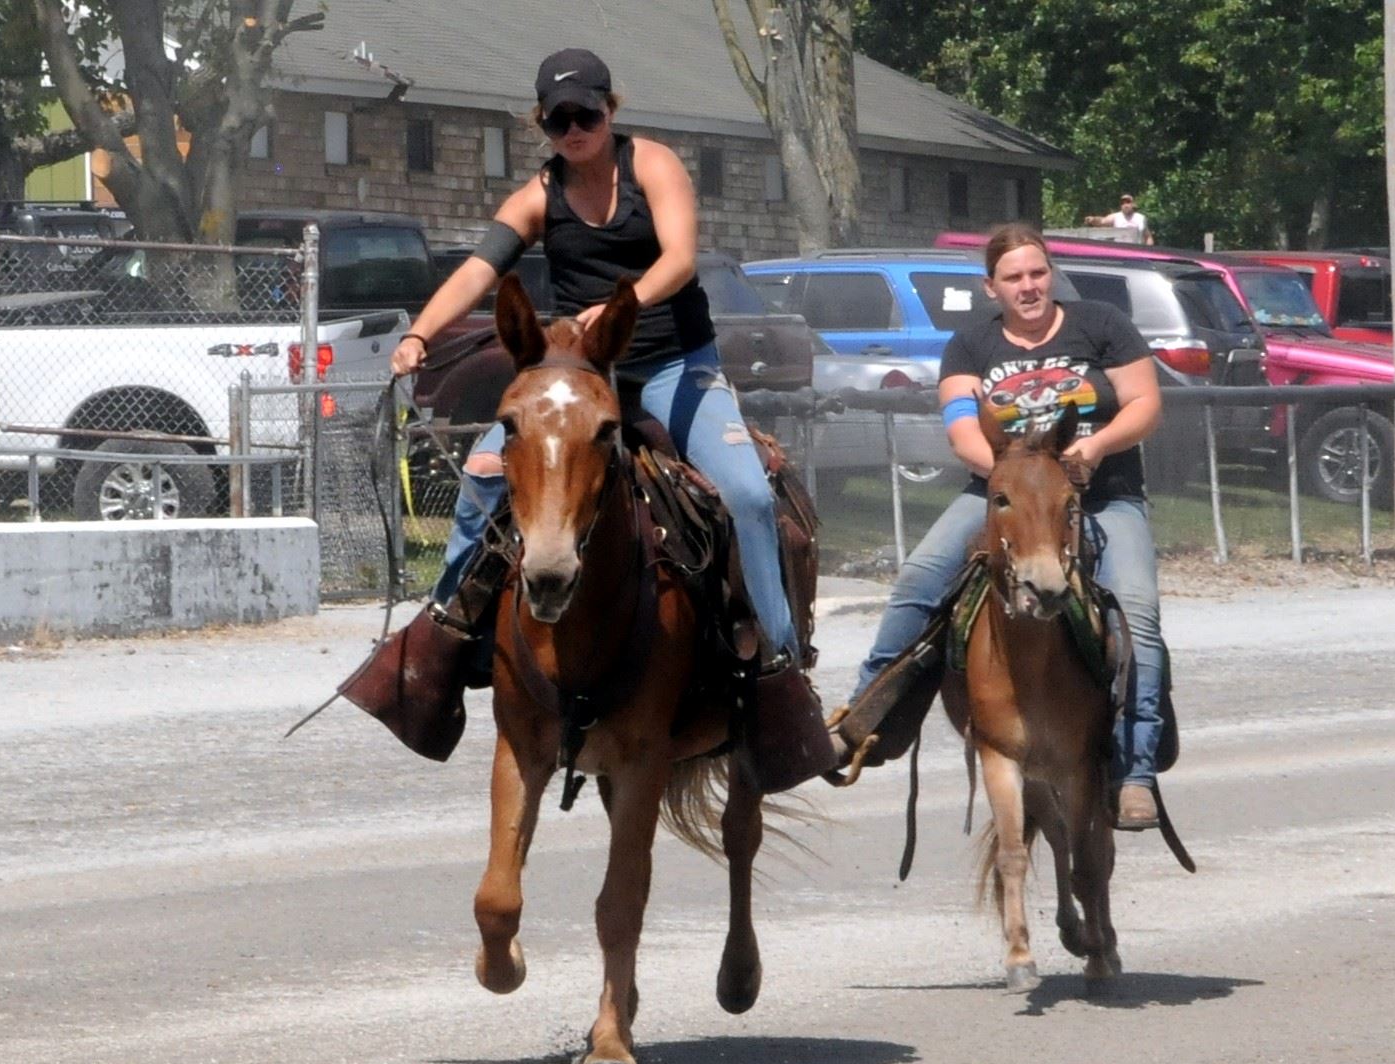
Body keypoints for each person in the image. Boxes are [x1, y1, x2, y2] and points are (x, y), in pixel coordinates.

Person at [389, 47, 832, 787]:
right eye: (557, 119)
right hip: (580, 379)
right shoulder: (537, 195)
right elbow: (478, 268)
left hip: (669, 367)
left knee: (749, 495)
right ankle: (444, 640)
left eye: (585, 114)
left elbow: (681, 258)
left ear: (609, 111)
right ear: (544, 123)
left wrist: (621, 305)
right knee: (480, 480)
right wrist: (418, 334)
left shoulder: (651, 165)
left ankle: (780, 669)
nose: (573, 128)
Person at [833, 223, 1171, 828]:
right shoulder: (970, 347)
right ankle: (866, 718)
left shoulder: (1102, 325)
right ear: (992, 287)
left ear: (1052, 275)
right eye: (1013, 277)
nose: (1029, 286)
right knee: (919, 577)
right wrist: (1019, 486)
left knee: (1137, 611)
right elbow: (964, 429)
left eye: (1037, 273)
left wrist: (1094, 449)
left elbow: (1145, 404)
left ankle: (1133, 772)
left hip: (1104, 495)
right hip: (1002, 497)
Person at [1085, 194, 1154, 244]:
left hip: (1136, 252)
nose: (1125, 205)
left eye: (1128, 202)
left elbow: (1148, 237)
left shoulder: (1141, 218)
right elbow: (1102, 221)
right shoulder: (1116, 217)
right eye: (1122, 203)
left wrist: (1149, 251)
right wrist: (1093, 219)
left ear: (1133, 204)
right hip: (1121, 251)